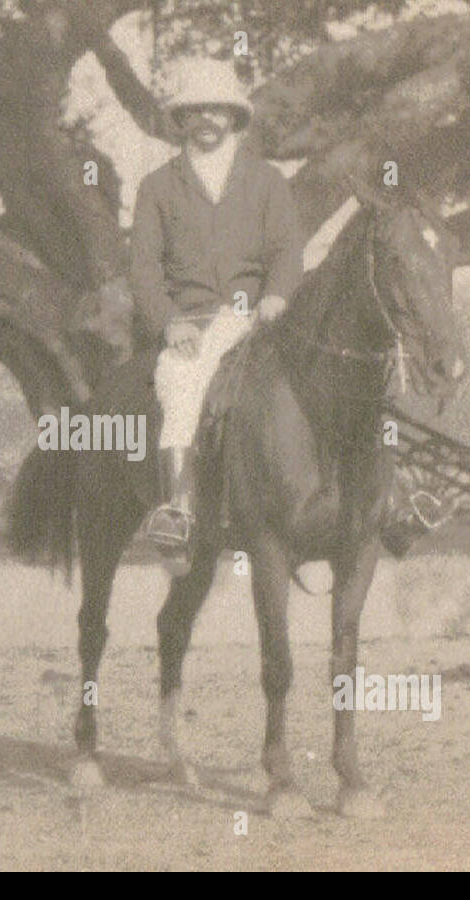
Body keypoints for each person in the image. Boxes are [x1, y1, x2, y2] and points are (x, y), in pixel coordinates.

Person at [130, 58, 305, 564]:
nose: (207, 119)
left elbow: (287, 250)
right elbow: (143, 268)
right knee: (180, 381)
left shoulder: (267, 180)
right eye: (195, 110)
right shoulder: (158, 187)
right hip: (195, 324)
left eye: (217, 109)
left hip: (260, 318)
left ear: (234, 116)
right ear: (181, 120)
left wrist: (277, 294)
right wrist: (169, 323)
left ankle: (379, 498)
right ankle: (179, 510)